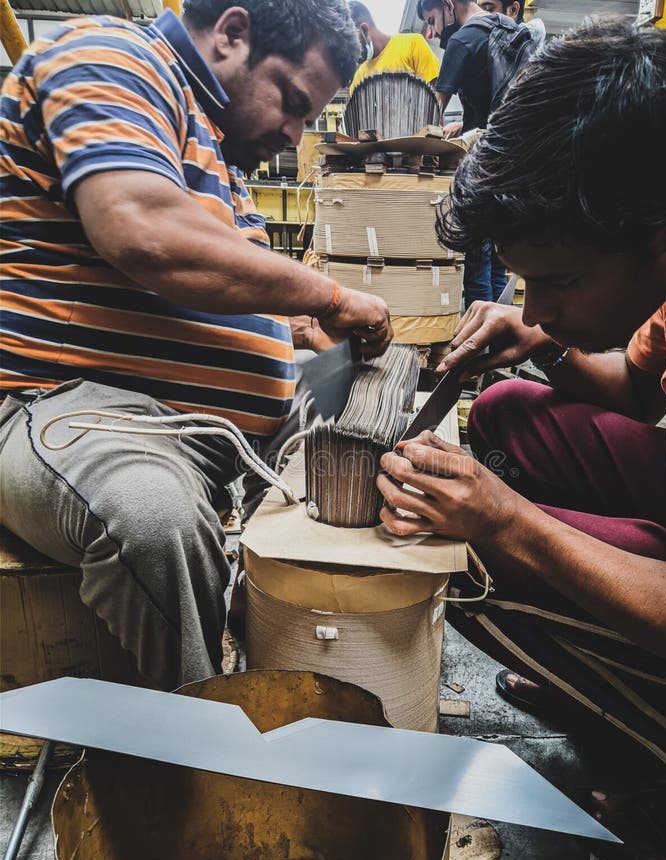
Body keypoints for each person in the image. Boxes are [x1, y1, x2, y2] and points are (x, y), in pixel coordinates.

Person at [377, 18, 666, 860]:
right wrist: (538, 344)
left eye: (560, 281)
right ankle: (607, 670)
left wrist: (514, 525)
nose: (536, 307)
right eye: (522, 283)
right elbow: (634, 384)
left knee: (473, 554)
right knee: (511, 409)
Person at [0, 0, 392, 692]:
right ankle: (197, 744)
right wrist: (330, 298)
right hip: (66, 410)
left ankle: (308, 668)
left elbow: (216, 291)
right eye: (293, 102)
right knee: (151, 515)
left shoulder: (213, 147)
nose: (294, 136)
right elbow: (144, 233)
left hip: (202, 431)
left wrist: (300, 332)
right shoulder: (113, 56)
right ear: (232, 35)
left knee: (381, 462)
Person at [419, 0, 521, 303]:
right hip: (512, 163)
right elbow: (498, 100)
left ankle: (479, 346)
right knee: (495, 262)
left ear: (448, 5)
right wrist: (463, 125)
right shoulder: (505, 29)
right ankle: (497, 336)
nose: (433, 32)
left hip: (483, 167)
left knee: (475, 264)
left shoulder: (462, 40)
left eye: (433, 20)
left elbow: (432, 111)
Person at [348, 2, 439, 92]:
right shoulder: (357, 82)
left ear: (364, 30)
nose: (350, 55)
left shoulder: (413, 44)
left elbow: (436, 96)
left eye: (350, 45)